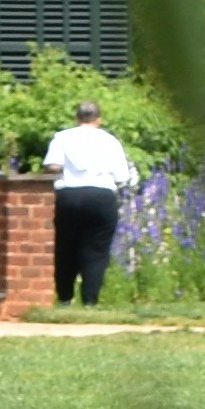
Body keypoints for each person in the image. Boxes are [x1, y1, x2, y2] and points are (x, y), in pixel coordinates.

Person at [40, 93, 141, 306]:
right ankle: (90, 300)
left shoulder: (62, 137)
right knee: (96, 250)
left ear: (77, 117)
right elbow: (122, 177)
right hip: (101, 196)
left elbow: (52, 166)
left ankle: (65, 297)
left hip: (70, 196)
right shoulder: (110, 140)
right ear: (98, 119)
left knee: (66, 247)